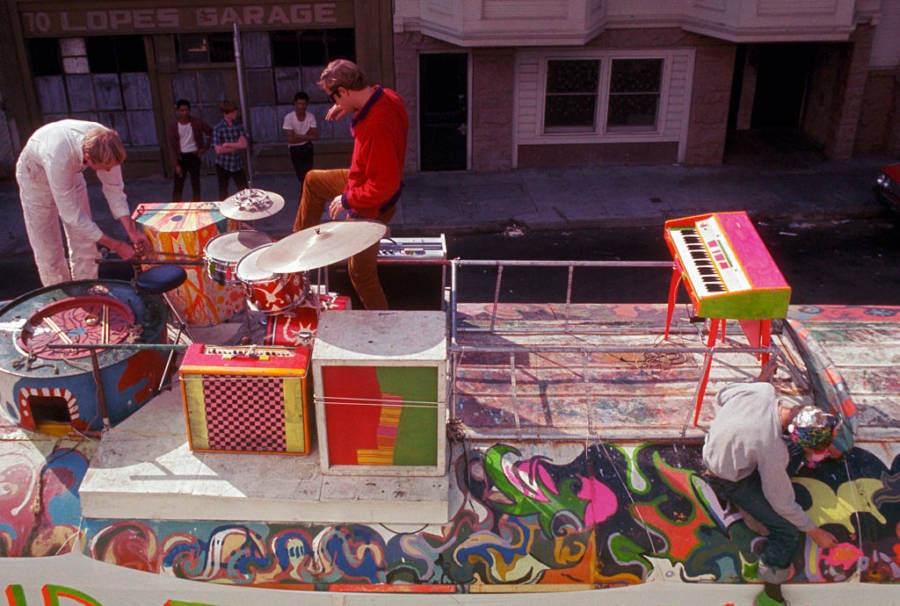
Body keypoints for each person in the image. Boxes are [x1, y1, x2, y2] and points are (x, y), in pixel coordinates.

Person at [701, 382, 839, 606]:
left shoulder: (763, 389)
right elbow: (781, 502)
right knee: (787, 532)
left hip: (715, 450)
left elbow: (722, 395)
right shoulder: (772, 449)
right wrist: (814, 531)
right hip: (728, 479)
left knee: (784, 456)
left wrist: (755, 383)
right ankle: (770, 593)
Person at [292, 59, 408, 310]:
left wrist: (347, 200)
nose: (333, 104)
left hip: (372, 203)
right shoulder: (386, 96)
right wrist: (348, 109)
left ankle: (385, 324)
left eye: (334, 98)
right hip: (362, 177)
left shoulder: (375, 127)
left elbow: (383, 187)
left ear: (344, 91)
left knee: (360, 274)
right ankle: (297, 252)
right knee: (312, 181)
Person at [16, 119, 151, 287]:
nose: (108, 171)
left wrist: (131, 231)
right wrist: (116, 245)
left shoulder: (106, 143)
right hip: (35, 176)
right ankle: (60, 295)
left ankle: (86, 288)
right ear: (88, 158)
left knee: (85, 242)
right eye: (104, 167)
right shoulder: (59, 158)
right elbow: (71, 215)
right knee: (48, 248)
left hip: (71, 171)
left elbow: (114, 189)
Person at [167, 99, 213, 202]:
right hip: (181, 157)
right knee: (178, 185)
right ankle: (176, 207)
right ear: (178, 111)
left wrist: (205, 148)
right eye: (181, 110)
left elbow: (211, 132)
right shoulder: (173, 126)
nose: (184, 113)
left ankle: (197, 205)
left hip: (194, 156)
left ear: (190, 111)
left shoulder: (196, 122)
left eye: (186, 110)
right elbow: (172, 147)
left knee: (195, 183)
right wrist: (176, 165)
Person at [212, 100, 250, 200]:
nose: (235, 114)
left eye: (235, 111)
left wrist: (228, 144)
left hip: (237, 163)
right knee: (223, 191)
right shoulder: (218, 128)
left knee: (244, 189)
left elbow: (244, 144)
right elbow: (218, 150)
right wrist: (236, 146)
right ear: (226, 113)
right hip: (223, 164)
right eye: (232, 112)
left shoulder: (238, 126)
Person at [283, 91, 318, 186]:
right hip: (295, 149)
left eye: (304, 104)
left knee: (307, 175)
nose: (301, 106)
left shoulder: (310, 116)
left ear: (307, 104)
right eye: (299, 104)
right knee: (300, 175)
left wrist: (298, 135)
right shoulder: (289, 117)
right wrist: (307, 136)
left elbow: (315, 136)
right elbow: (290, 139)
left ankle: (305, 196)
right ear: (295, 104)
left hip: (307, 147)